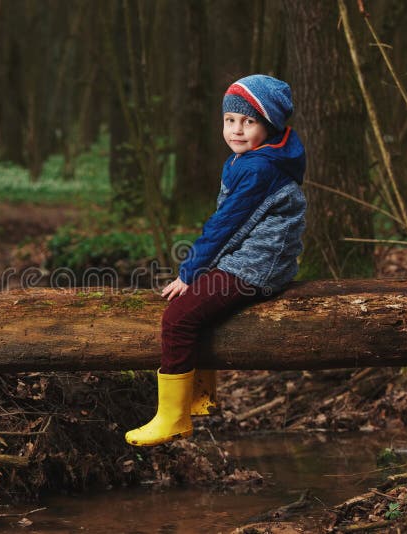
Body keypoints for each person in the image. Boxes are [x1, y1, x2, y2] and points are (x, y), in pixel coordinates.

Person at [125, 74, 307, 447]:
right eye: (229, 120)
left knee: (178, 317)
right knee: (196, 310)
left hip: (257, 266)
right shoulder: (257, 156)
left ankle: (173, 417)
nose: (236, 130)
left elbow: (225, 225)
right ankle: (197, 397)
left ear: (268, 125)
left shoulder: (259, 168)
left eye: (248, 121)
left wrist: (191, 271)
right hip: (256, 257)